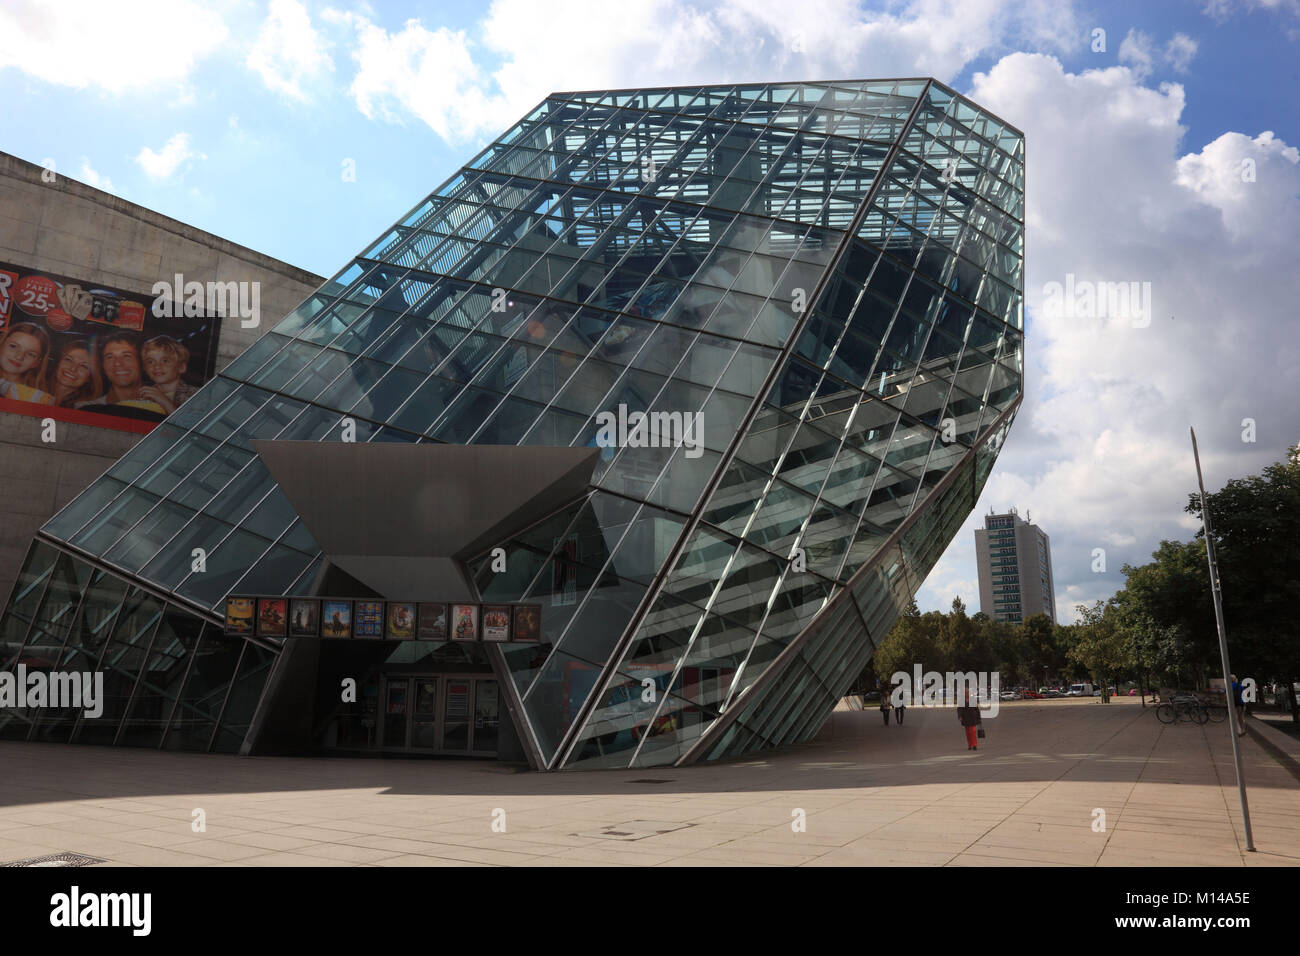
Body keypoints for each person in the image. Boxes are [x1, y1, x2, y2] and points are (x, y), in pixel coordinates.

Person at [78, 332, 165, 417]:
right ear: (103, 366)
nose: (118, 363)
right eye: (110, 357)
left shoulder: (163, 405)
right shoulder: (87, 408)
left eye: (127, 356)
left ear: (142, 363)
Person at [140, 335, 197, 413]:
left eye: (165, 361)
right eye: (150, 362)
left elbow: (189, 424)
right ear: (145, 368)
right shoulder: (144, 395)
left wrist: (165, 402)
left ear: (181, 367)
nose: (157, 366)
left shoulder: (195, 395)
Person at [0, 322, 54, 404]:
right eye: (13, 346)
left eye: (30, 354)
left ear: (37, 362)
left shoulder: (39, 398)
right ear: (1, 344)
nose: (19, 357)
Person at [46, 338, 101, 407]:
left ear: (90, 378)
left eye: (83, 366)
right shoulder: (33, 390)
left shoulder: (85, 407)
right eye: (68, 360)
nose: (73, 369)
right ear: (58, 362)